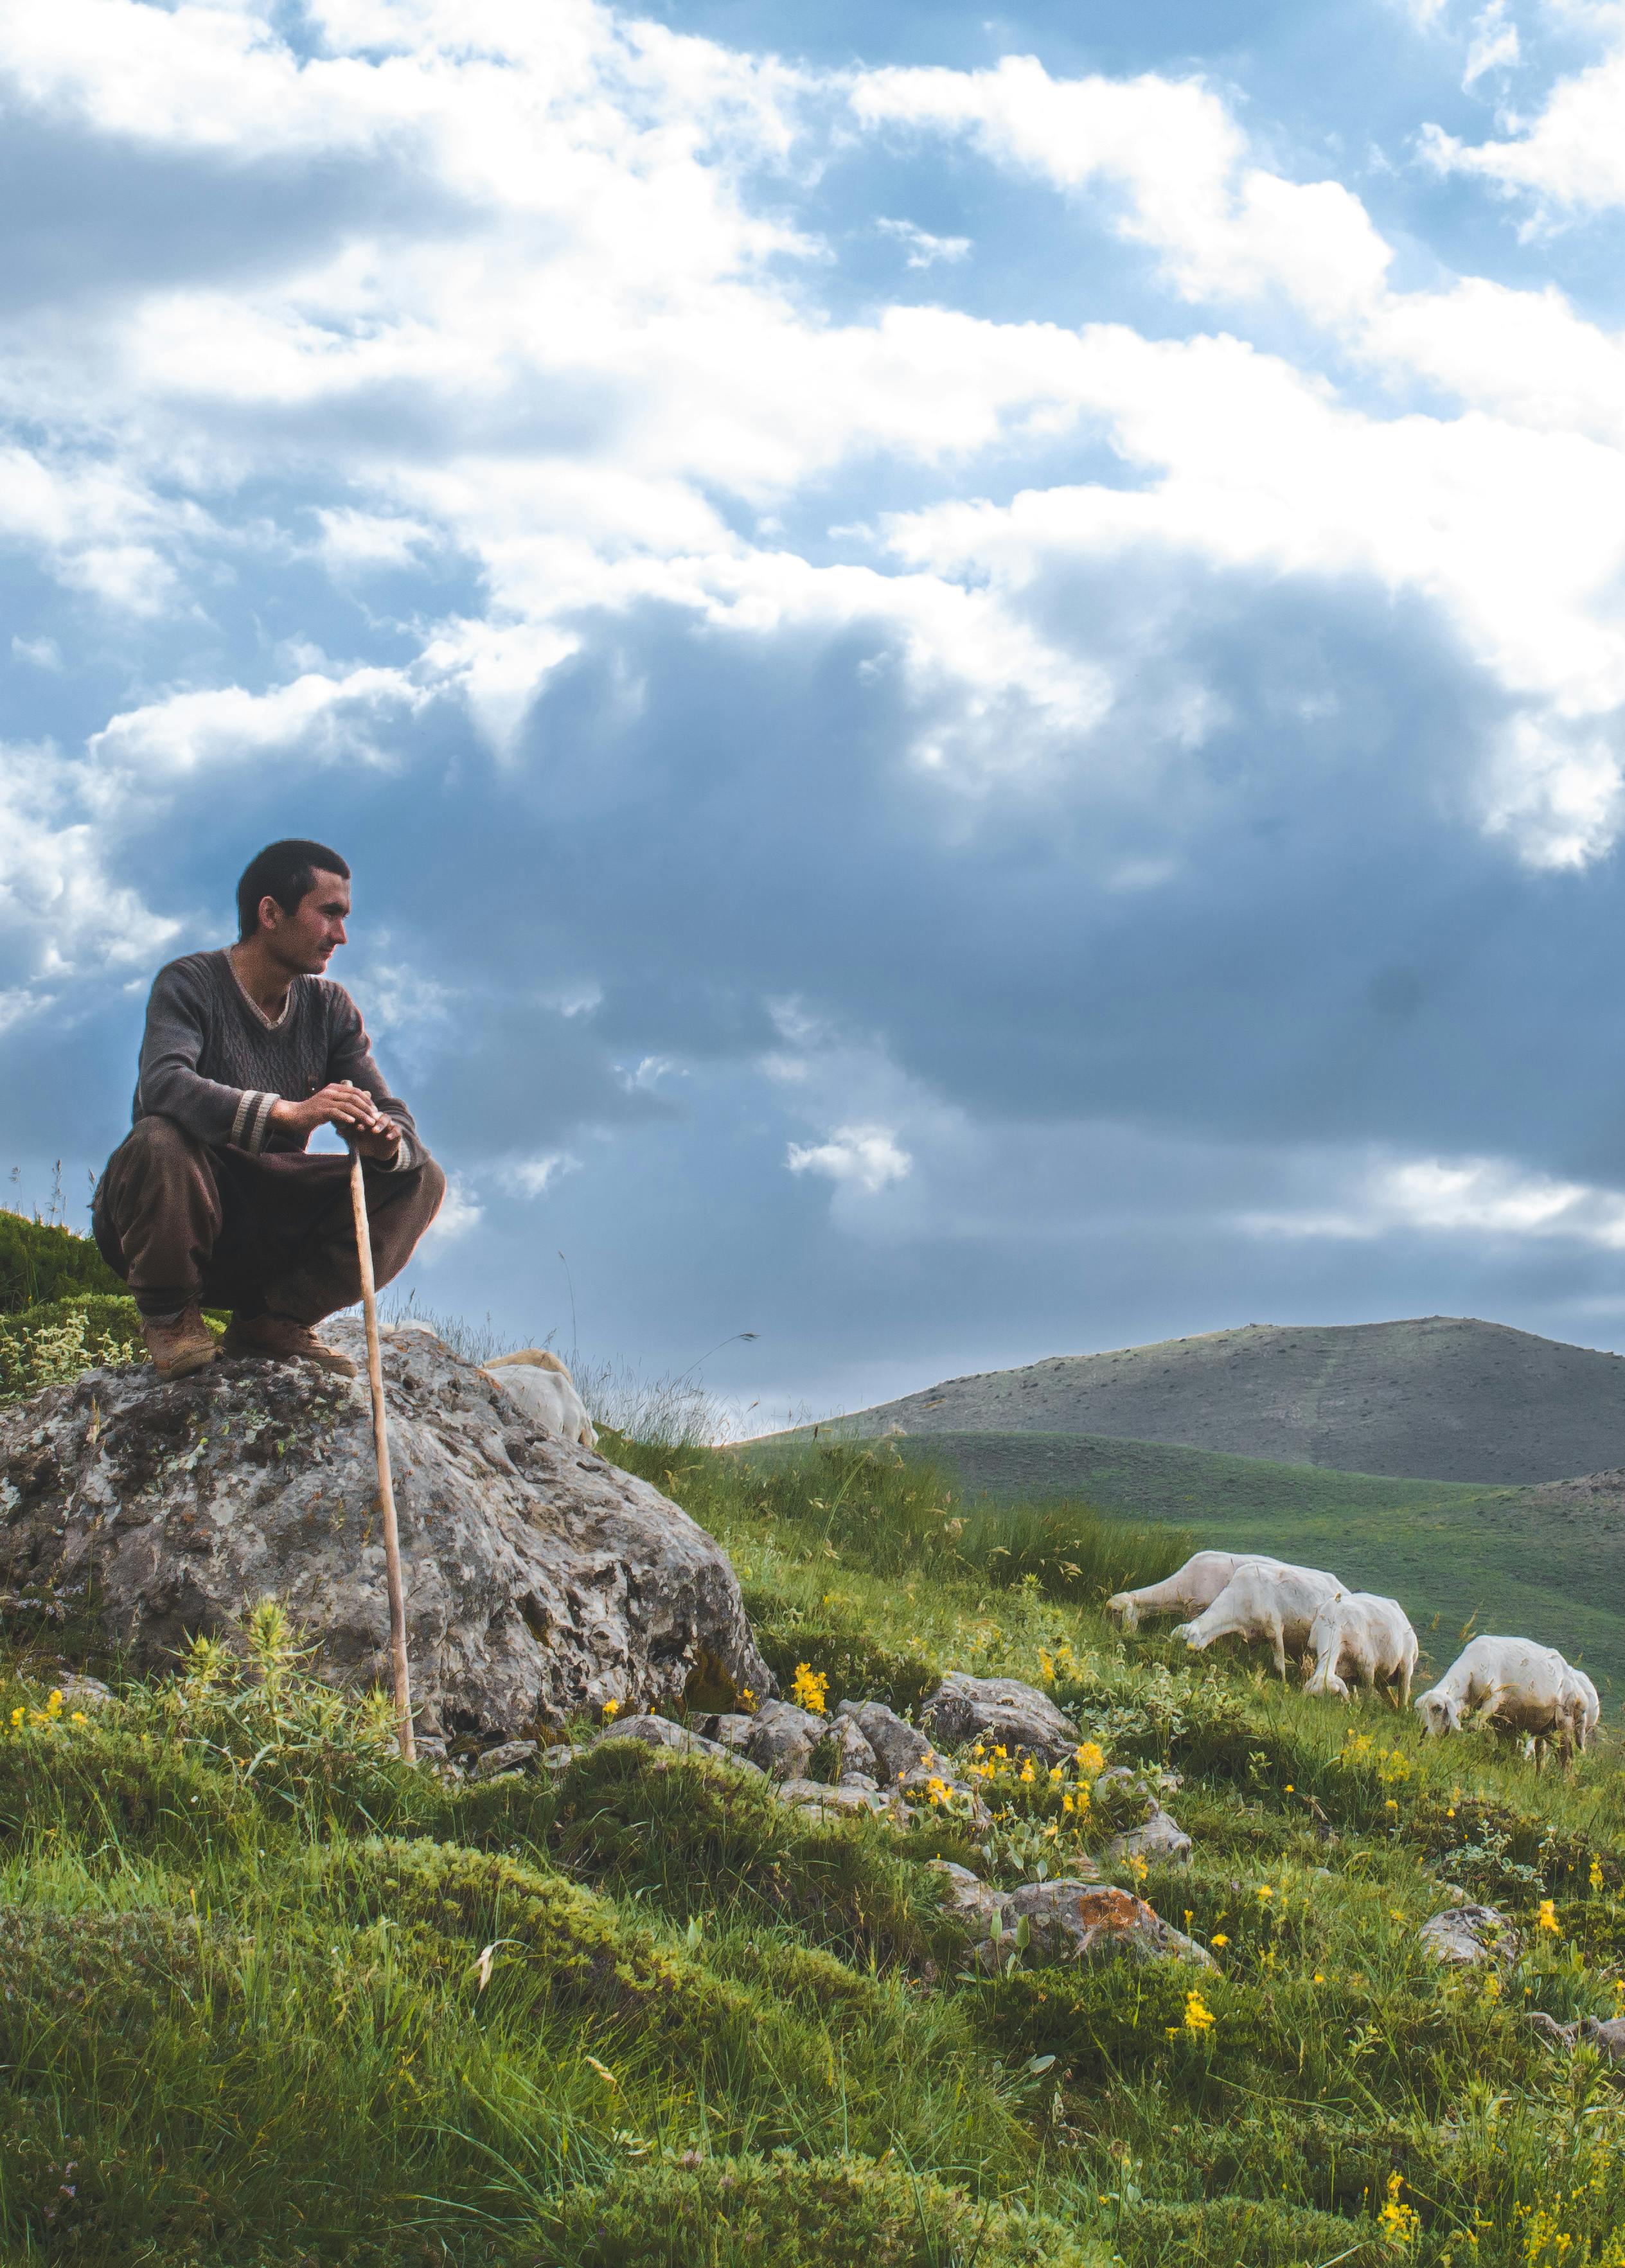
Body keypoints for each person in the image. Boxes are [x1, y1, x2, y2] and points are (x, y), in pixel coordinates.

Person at [93, 839, 445, 1380]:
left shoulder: (329, 1009)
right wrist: (287, 1113)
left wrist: (383, 1139)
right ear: (270, 913)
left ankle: (273, 1321)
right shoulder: (188, 983)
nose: (341, 935)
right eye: (329, 914)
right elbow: (162, 1085)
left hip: (267, 1227)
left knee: (419, 1177)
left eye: (344, 917)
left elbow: (393, 1114)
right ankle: (169, 1317)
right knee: (159, 1137)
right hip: (178, 1212)